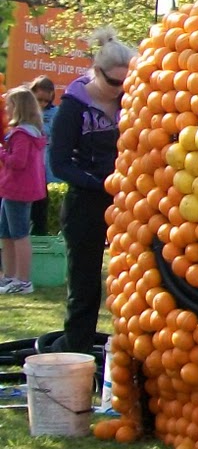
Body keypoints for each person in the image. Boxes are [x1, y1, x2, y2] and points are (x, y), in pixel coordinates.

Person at [51, 27, 134, 353]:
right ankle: (77, 351)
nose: (120, 89)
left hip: (126, 202)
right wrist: (99, 183)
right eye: (114, 82)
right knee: (84, 286)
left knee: (133, 279)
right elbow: (59, 163)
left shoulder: (130, 101)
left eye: (126, 82)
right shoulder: (74, 107)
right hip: (85, 202)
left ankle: (127, 350)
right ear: (96, 72)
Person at [0, 87, 49, 294]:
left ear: (18, 108)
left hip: (17, 190)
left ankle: (23, 280)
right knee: (6, 234)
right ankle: (9, 276)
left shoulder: (22, 134)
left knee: (19, 235)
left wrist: (1, 153)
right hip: (11, 189)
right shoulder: (26, 132)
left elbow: (18, 162)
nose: (6, 109)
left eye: (9, 105)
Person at [28, 75, 57, 236]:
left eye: (47, 100)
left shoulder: (54, 113)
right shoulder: (24, 112)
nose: (43, 104)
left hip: (43, 167)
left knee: (40, 209)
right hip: (26, 168)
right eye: (39, 99)